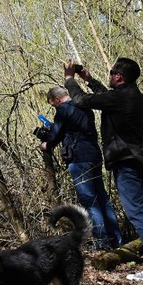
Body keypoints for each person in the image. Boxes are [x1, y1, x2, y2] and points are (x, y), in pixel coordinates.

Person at [64, 57, 143, 281]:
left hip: (125, 160)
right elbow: (107, 98)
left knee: (139, 213)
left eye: (112, 72)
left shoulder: (120, 97)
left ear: (119, 77)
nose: (110, 74)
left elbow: (81, 101)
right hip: (139, 158)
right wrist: (90, 79)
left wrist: (70, 79)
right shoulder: (133, 95)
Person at [40, 86, 122, 250]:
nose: (54, 107)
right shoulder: (84, 107)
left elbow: (55, 135)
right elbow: (73, 130)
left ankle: (102, 243)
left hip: (79, 159)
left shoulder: (63, 110)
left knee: (90, 202)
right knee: (102, 199)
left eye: (53, 104)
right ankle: (116, 239)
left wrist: (46, 144)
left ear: (57, 99)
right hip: (94, 155)